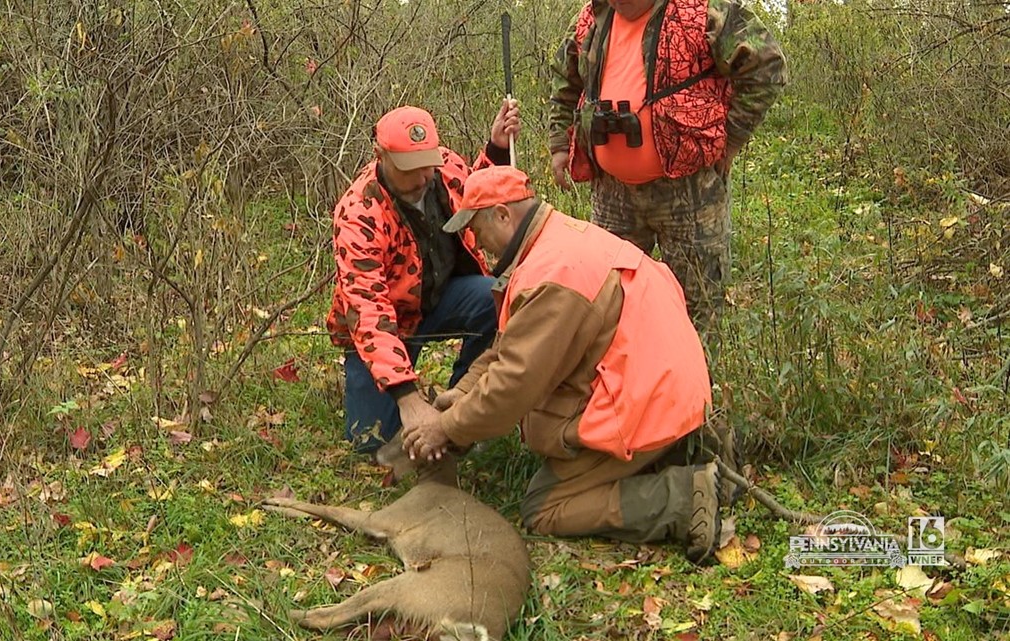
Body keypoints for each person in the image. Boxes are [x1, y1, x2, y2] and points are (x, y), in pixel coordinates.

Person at [401, 165, 731, 565]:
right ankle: (684, 448)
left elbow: (513, 386)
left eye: (477, 229)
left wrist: (445, 428)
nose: (478, 243)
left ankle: (681, 496)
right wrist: (465, 391)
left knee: (544, 507)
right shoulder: (559, 241)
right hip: (665, 388)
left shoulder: (551, 276)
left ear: (503, 215)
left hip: (646, 404)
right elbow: (511, 347)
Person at [548, 0, 787, 345]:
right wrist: (560, 144)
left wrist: (731, 138)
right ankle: (629, 394)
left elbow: (766, 65)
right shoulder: (593, 16)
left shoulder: (701, 10)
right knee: (611, 308)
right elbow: (564, 79)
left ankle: (698, 396)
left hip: (689, 193)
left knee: (698, 312)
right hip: (613, 195)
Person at [326, 101, 521, 455]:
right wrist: (407, 396)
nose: (422, 178)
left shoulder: (444, 169)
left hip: (441, 298)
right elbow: (369, 312)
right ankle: (403, 394)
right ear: (380, 156)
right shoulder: (358, 214)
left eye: (427, 166)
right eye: (409, 170)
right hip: (390, 324)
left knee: (495, 297)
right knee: (370, 441)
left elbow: (478, 195)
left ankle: (460, 407)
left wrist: (496, 148)